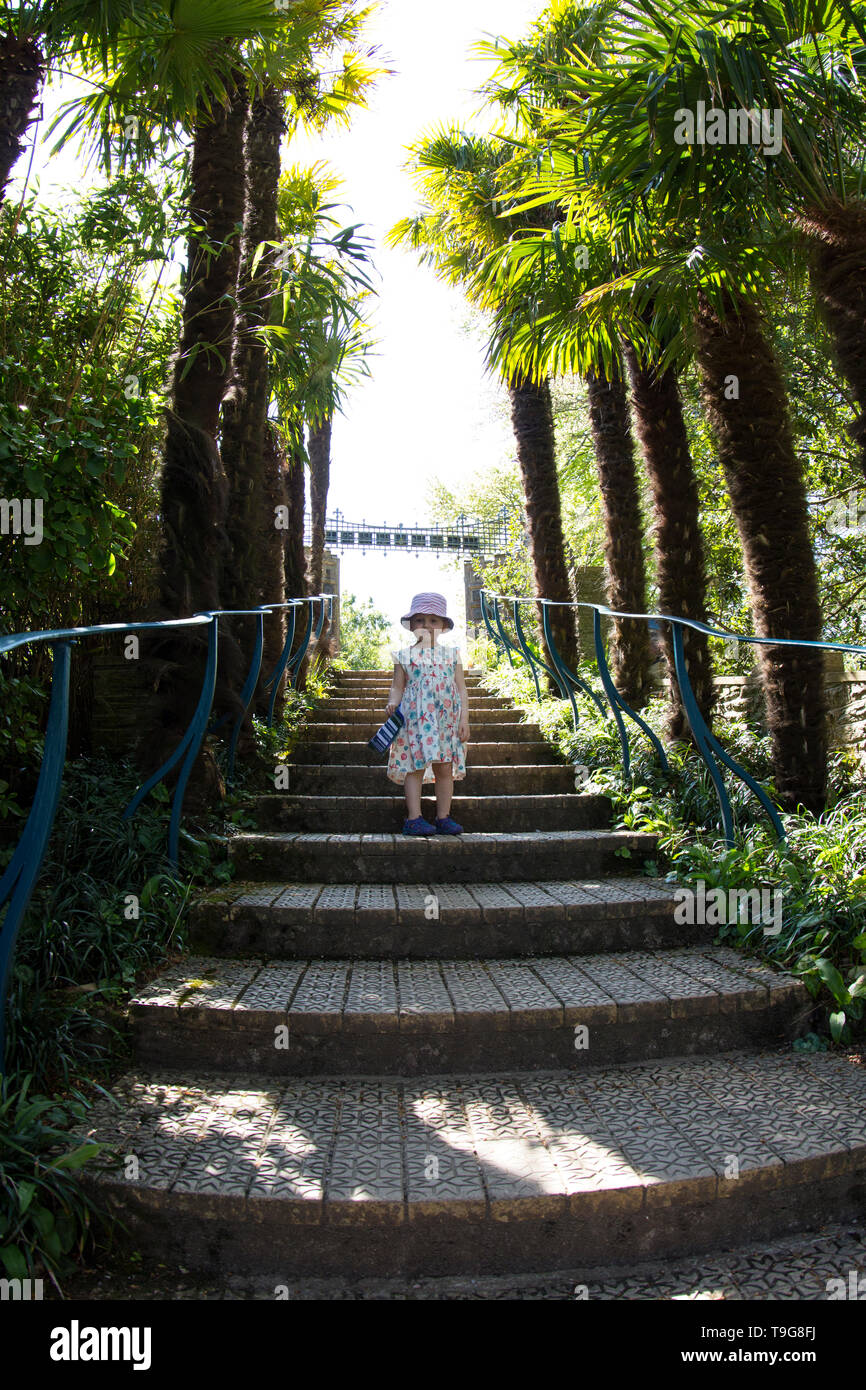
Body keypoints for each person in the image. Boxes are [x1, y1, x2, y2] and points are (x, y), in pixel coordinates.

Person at [384, 591, 470, 835]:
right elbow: (397, 686)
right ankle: (414, 818)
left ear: (443, 626)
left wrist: (464, 719)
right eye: (420, 620)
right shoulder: (404, 656)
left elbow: (461, 689)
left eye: (433, 621)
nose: (426, 626)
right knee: (415, 766)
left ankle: (443, 816)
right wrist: (393, 703)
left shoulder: (452, 655)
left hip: (446, 720)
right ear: (412, 625)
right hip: (415, 720)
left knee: (444, 767)